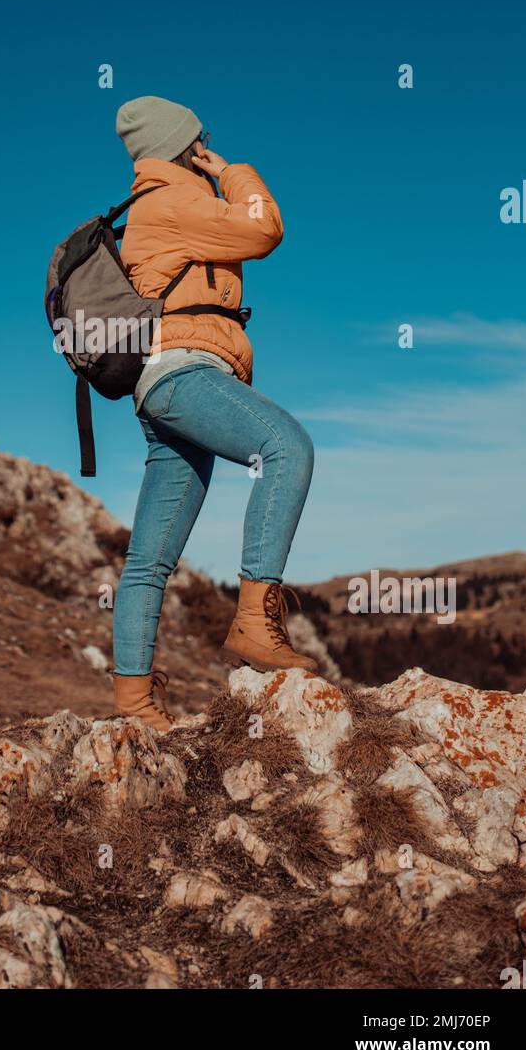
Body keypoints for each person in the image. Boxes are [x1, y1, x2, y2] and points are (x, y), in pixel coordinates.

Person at [111, 95, 316, 733]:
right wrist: (233, 169)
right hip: (184, 373)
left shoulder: (160, 203)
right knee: (286, 446)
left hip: (165, 384)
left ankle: (135, 706)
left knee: (149, 559)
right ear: (184, 146)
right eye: (201, 139)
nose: (208, 146)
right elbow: (264, 229)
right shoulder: (174, 200)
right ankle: (256, 622)